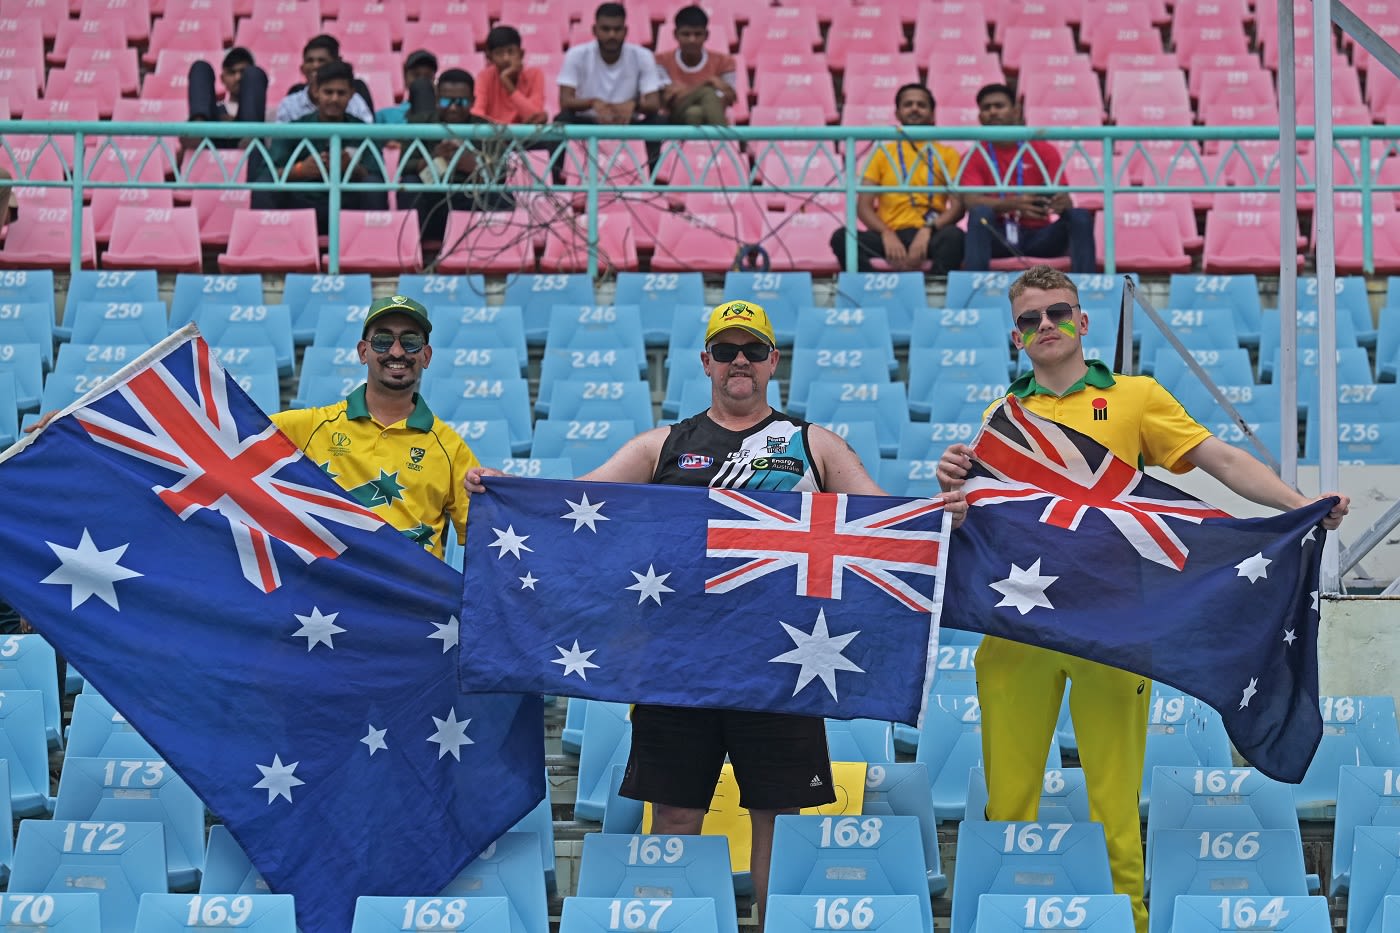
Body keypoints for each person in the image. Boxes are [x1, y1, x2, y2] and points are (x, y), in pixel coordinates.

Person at [467, 300, 968, 929]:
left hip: (785, 670)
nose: (740, 361)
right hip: (676, 669)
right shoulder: (662, 446)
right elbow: (578, 502)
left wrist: (940, 513)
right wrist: (503, 490)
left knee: (779, 822)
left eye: (753, 351)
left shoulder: (815, 445)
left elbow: (884, 521)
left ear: (772, 362)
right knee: (675, 819)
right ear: (705, 360)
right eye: (727, 350)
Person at [935, 265, 1351, 933]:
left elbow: (1221, 461)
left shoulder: (1134, 397)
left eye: (1059, 312)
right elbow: (973, 522)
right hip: (1017, 632)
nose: (1046, 325)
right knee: (1007, 805)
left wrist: (1300, 505)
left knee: (1114, 806)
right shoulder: (1000, 418)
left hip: (1115, 628)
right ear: (1016, 336)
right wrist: (950, 486)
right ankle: (1004, 920)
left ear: (1083, 322)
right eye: (1031, 319)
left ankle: (1127, 922)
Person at [271, 295, 477, 560]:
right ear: (363, 352)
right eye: (382, 340)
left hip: (411, 596)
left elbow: (489, 532)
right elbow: (230, 434)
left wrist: (503, 493)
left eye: (410, 342)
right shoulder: (307, 427)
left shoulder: (451, 448)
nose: (397, 352)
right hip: (330, 595)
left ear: (426, 356)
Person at [829, 83, 965, 273]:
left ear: (933, 115)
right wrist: (886, 233)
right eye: (908, 104)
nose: (915, 108)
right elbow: (864, 206)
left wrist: (929, 230)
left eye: (921, 105)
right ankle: (874, 287)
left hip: (931, 232)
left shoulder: (948, 154)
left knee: (954, 236)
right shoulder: (882, 153)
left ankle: (934, 291)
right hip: (890, 235)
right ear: (898, 113)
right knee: (842, 238)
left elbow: (958, 207)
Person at [960, 84, 1096, 273]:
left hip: (1040, 235)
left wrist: (1060, 203)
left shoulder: (1044, 150)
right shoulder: (973, 155)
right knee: (980, 214)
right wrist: (1016, 203)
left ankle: (1088, 287)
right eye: (986, 108)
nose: (992, 112)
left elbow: (1063, 197)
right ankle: (973, 287)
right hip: (998, 236)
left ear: (1016, 111)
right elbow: (971, 202)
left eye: (999, 106)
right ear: (979, 117)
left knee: (1079, 216)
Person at [250, 60, 388, 233]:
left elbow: (377, 178)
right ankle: (267, 246)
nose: (334, 99)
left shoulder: (365, 132)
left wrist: (353, 169)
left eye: (341, 93)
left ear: (352, 94)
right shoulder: (293, 129)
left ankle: (373, 249)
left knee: (372, 186)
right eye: (328, 92)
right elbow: (267, 172)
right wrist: (300, 170)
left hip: (348, 208)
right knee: (264, 185)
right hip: (301, 206)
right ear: (316, 91)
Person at [398, 69, 514, 242]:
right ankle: (412, 249)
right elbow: (404, 165)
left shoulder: (486, 129)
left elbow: (501, 174)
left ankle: (490, 250)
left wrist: (475, 167)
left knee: (504, 198)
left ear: (473, 101)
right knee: (409, 185)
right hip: (431, 197)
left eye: (461, 101)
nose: (453, 107)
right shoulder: (419, 124)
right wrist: (431, 159)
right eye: (446, 101)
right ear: (437, 100)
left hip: (469, 196)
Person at [557, 2, 667, 125]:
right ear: (594, 30)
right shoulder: (576, 54)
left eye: (617, 29)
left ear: (625, 31)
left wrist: (633, 105)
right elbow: (565, 101)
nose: (612, 35)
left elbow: (654, 103)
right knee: (562, 119)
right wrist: (592, 103)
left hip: (628, 118)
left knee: (658, 120)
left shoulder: (643, 56)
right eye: (606, 29)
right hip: (588, 119)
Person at [656, 5, 736, 125]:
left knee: (694, 113)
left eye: (697, 34)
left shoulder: (725, 62)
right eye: (686, 34)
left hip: (705, 115)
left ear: (706, 35)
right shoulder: (661, 61)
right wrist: (708, 84)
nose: (692, 40)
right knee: (708, 92)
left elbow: (730, 98)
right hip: (673, 119)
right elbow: (669, 99)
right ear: (675, 34)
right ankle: (725, 141)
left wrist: (683, 90)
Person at [274, 34, 375, 124]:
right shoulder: (290, 104)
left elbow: (370, 136)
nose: (315, 66)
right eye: (310, 61)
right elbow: (280, 140)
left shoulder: (356, 102)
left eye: (321, 60)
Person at [187, 47, 269, 145]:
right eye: (232, 72)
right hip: (209, 140)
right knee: (200, 68)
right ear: (222, 78)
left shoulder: (268, 115)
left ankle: (250, 135)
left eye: (243, 72)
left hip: (248, 140)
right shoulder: (209, 110)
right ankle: (198, 128)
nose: (238, 77)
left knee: (254, 73)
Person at [474, 25, 548, 124]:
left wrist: (507, 83)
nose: (506, 58)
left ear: (521, 54)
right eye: (499, 53)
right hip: (494, 136)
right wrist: (506, 129)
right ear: (489, 58)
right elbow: (477, 114)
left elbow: (535, 115)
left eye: (511, 51)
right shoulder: (484, 77)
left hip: (526, 135)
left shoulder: (535, 74)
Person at [374, 49, 439, 124]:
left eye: (427, 76)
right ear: (405, 78)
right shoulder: (384, 117)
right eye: (416, 75)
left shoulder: (444, 114)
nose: (421, 81)